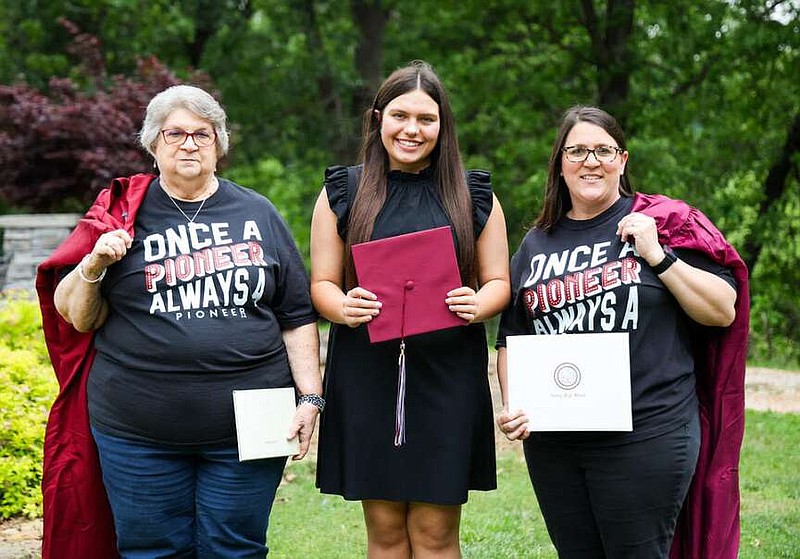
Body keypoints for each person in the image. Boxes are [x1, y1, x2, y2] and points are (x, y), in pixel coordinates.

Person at [36, 84, 322, 559]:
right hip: (137, 430)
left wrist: (310, 397)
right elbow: (78, 318)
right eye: (175, 134)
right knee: (152, 551)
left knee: (236, 548)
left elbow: (294, 315)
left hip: (252, 421)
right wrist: (93, 264)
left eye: (202, 134)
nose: (189, 144)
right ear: (152, 143)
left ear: (219, 144)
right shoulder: (120, 215)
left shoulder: (258, 212)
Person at [495, 106, 749, 558]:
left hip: (648, 432)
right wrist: (515, 404)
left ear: (623, 160)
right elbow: (512, 337)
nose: (590, 161)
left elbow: (722, 310)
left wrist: (658, 256)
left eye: (603, 150)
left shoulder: (665, 223)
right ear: (559, 163)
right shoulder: (537, 242)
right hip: (557, 444)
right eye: (576, 151)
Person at [310, 60, 510, 558]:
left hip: (446, 375)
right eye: (401, 116)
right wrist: (343, 306)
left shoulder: (474, 193)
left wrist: (479, 301)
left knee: (436, 534)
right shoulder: (343, 191)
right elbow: (322, 285)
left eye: (427, 118)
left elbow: (499, 283)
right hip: (366, 372)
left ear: (443, 125)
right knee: (385, 533)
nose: (412, 130)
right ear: (378, 118)